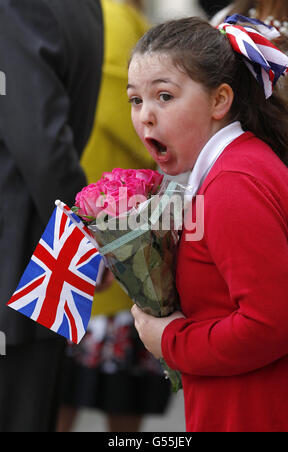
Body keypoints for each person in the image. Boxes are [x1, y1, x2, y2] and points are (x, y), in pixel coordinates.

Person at [129, 16, 288, 432]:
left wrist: (170, 342)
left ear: (219, 100)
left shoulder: (233, 184)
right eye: (135, 100)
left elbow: (272, 325)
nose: (145, 117)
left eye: (164, 96)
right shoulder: (237, 166)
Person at [57, 0, 171, 433]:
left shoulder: (110, 15)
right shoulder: (117, 18)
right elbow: (126, 119)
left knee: (67, 391)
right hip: (113, 236)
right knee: (109, 396)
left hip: (96, 230)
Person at [0, 0, 103, 432]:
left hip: (22, 249)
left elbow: (41, 142)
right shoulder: (87, 6)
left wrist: (86, 235)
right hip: (51, 248)